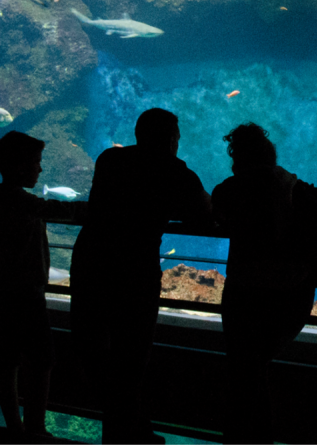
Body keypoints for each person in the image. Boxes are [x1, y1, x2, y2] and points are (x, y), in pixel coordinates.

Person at [70, 108, 212, 444]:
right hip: (134, 273)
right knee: (130, 358)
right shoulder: (175, 171)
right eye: (176, 136)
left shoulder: (109, 160)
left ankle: (126, 432)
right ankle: (133, 433)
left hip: (91, 263)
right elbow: (203, 215)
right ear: (171, 139)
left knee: (95, 353)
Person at [211, 123, 317, 444]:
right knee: (254, 370)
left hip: (244, 296)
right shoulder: (295, 188)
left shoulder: (228, 190)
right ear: (272, 157)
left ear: (238, 159)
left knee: (243, 373)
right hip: (290, 298)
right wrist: (305, 272)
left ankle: (245, 438)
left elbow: (214, 214)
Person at [0, 130, 87, 441]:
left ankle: (16, 429)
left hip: (0, 293)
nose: (40, 168)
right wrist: (102, 208)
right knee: (42, 359)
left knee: (8, 361)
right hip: (22, 295)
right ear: (20, 166)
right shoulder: (16, 200)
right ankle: (34, 429)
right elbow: (61, 210)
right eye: (36, 162)